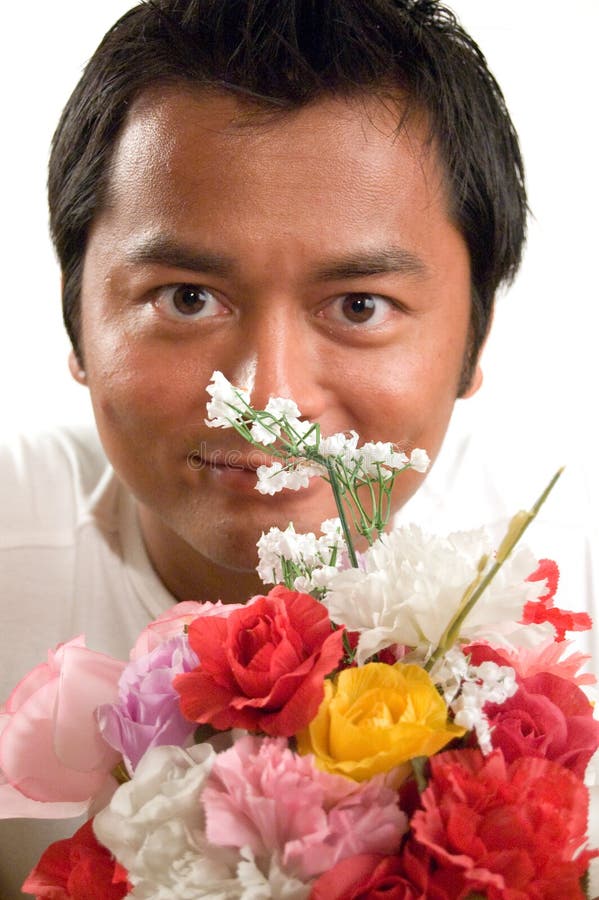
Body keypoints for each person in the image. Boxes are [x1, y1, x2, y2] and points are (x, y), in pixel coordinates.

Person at [0, 0, 593, 894]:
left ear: (474, 338)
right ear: (79, 321)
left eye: (358, 306)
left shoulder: (575, 582)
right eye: (187, 297)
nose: (268, 399)